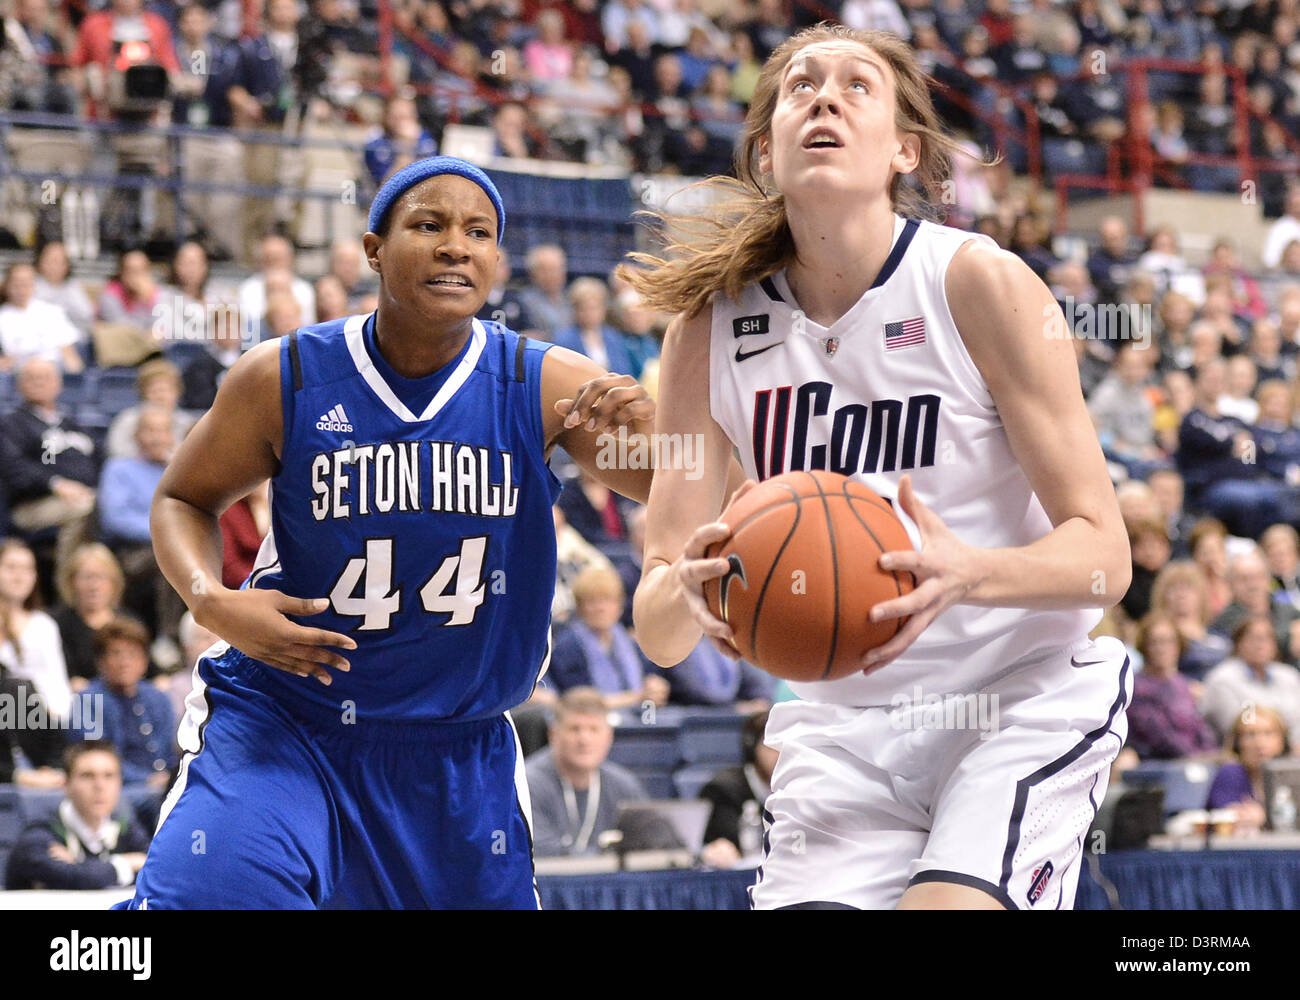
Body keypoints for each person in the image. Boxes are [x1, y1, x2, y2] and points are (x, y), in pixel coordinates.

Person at [627, 25, 1132, 911]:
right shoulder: (707, 332)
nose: (823, 97)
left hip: (1016, 698)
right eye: (799, 87)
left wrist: (968, 574)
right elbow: (657, 628)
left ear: (905, 148)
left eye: (857, 85)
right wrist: (694, 591)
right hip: (845, 725)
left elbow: (1105, 560)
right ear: (766, 150)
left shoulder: (978, 284)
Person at [120, 156, 660, 910]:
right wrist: (211, 602)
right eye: (429, 225)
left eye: (479, 232)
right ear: (374, 250)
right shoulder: (287, 377)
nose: (455, 246)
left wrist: (662, 429)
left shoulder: (546, 386)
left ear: (497, 262)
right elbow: (182, 496)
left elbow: (687, 494)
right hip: (286, 725)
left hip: (455, 754)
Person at [5, 740, 152, 890]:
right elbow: (82, 879)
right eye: (87, 776)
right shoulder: (39, 835)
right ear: (66, 783)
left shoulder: (124, 826)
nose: (100, 786)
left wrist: (80, 865)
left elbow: (154, 866)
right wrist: (129, 862)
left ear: (120, 782)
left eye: (109, 776)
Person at [524, 687, 648, 857]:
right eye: (575, 729)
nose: (584, 740)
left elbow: (651, 844)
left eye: (594, 729)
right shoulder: (528, 784)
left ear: (609, 736)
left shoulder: (624, 785)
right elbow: (539, 853)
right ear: (553, 734)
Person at [72, 617, 176, 791]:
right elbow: (96, 759)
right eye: (116, 653)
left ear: (145, 661)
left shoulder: (158, 698)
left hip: (163, 784)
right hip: (118, 789)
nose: (124, 662)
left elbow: (170, 753)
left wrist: (171, 778)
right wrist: (148, 779)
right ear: (101, 661)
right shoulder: (88, 701)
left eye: (132, 654)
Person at [1126, 613, 1218, 760]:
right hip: (1159, 763)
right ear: (1144, 646)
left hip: (1196, 759)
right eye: (1154, 642)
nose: (1161, 648)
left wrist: (1212, 755)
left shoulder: (1183, 684)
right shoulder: (1137, 687)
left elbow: (1199, 726)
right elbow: (1159, 736)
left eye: (1168, 641)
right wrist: (1198, 758)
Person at [698, 709, 778, 867]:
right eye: (773, 746)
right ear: (751, 747)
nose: (781, 754)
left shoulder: (801, 788)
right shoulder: (723, 790)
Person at [1200, 616, 1300, 741]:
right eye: (1253, 639)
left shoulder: (1289, 675)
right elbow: (1239, 727)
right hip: (1244, 753)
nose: (1260, 645)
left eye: (1267, 639)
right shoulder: (1223, 679)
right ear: (1238, 644)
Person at [1205, 705, 1291, 833]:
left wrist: (1265, 817)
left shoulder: (1293, 774)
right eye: (1251, 735)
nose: (1260, 743)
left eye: (1268, 733)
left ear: (1282, 740)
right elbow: (1226, 820)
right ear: (1237, 742)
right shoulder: (1230, 774)